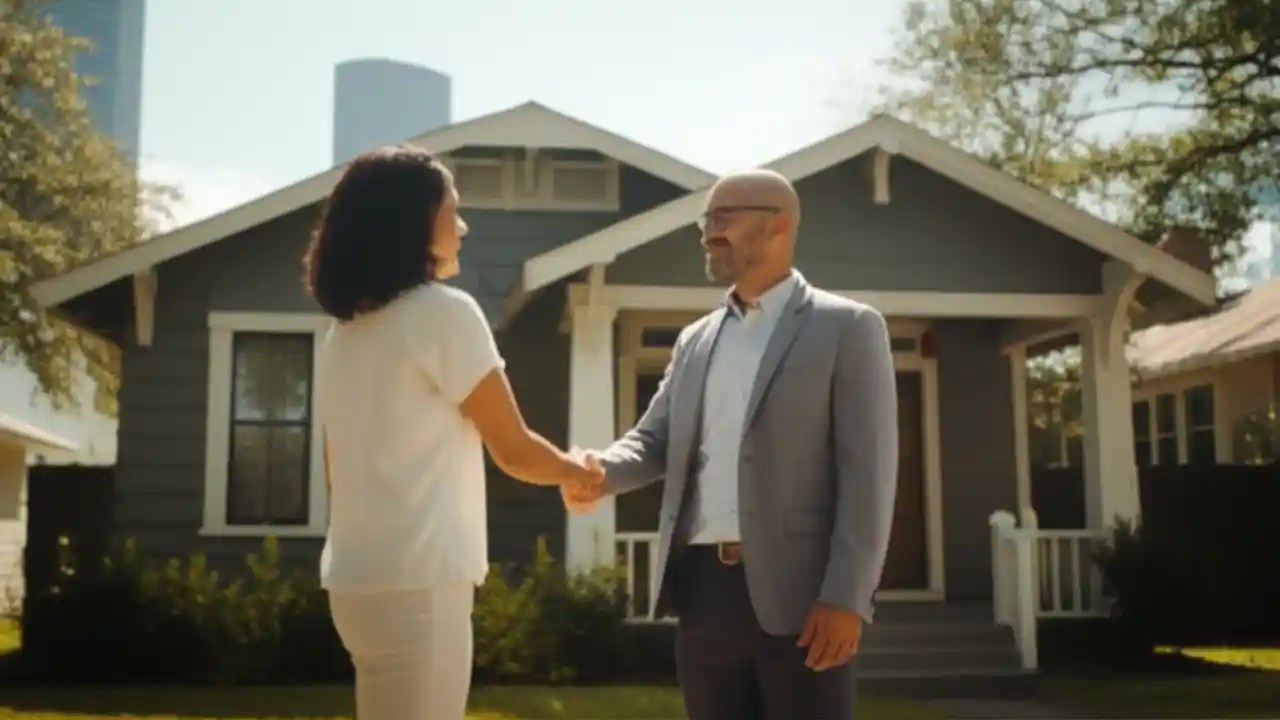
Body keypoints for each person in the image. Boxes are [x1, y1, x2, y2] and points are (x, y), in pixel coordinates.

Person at [564, 168, 899, 719]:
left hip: (803, 595)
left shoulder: (848, 327)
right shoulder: (695, 340)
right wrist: (599, 470)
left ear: (779, 225)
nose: (708, 233)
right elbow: (655, 438)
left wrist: (847, 595)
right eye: (705, 220)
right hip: (704, 594)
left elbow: (869, 473)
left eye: (724, 217)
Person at [302, 145, 604, 720]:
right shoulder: (444, 312)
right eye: (452, 210)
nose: (462, 227)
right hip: (422, 585)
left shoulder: (345, 333)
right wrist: (580, 471)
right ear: (413, 220)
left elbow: (335, 471)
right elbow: (513, 449)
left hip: (356, 585)